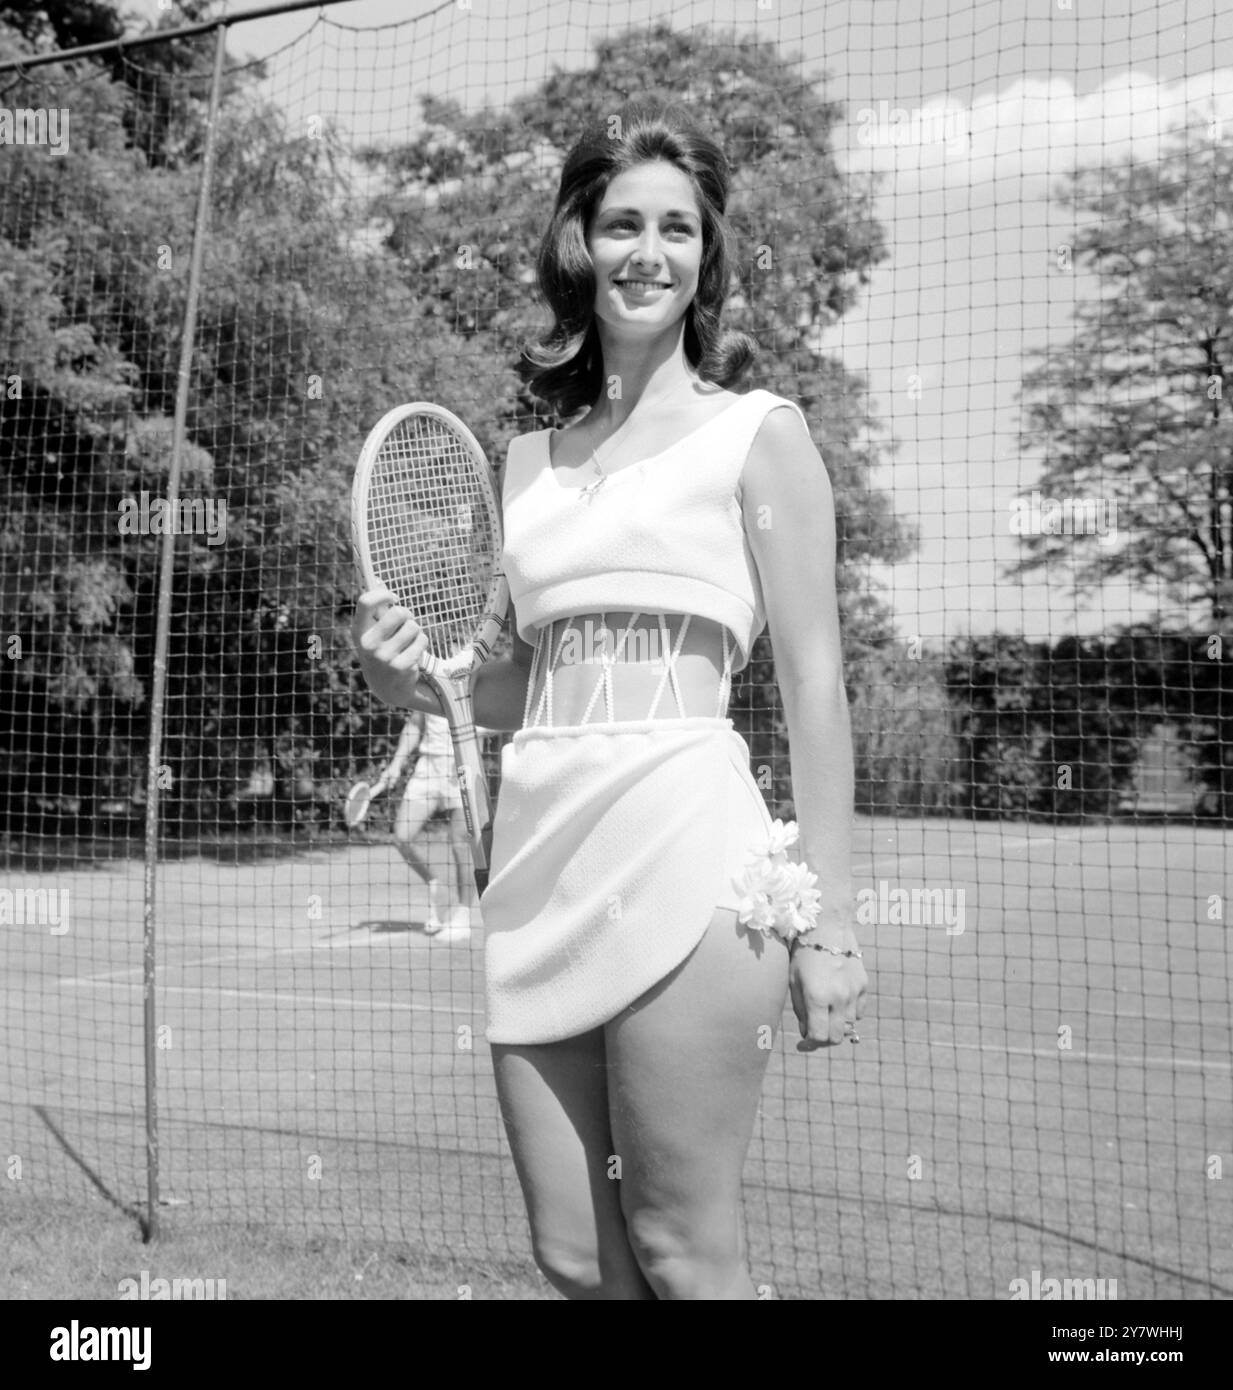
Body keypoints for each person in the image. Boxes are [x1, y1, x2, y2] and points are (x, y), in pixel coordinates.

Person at [352, 99, 867, 1299]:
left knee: (684, 1249)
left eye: (677, 229)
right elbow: (501, 685)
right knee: (578, 1259)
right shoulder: (526, 460)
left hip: (691, 853)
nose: (649, 251)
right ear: (580, 244)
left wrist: (832, 921)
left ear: (706, 258)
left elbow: (814, 681)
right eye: (622, 222)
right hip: (538, 864)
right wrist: (398, 677)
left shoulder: (759, 437)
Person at [383, 709, 475, 943]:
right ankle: (437, 887)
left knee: (460, 842)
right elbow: (415, 723)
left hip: (464, 763)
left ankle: (463, 915)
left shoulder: (476, 673)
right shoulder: (425, 673)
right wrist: (396, 764)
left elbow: (499, 718)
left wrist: (477, 728)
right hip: (429, 767)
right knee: (402, 837)